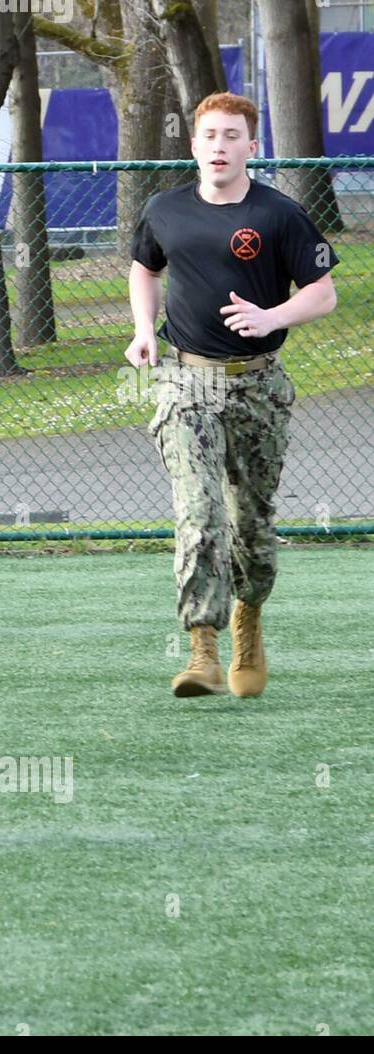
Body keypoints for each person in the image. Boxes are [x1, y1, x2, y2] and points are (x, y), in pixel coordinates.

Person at [126, 92, 338, 698]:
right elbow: (145, 268)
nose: (218, 146)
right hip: (187, 382)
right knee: (198, 513)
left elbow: (322, 294)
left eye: (231, 136)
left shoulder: (279, 214)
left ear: (251, 146)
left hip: (259, 387)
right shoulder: (164, 209)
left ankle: (248, 620)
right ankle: (201, 651)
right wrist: (144, 329)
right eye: (209, 136)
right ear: (193, 145)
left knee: (252, 526)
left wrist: (272, 317)